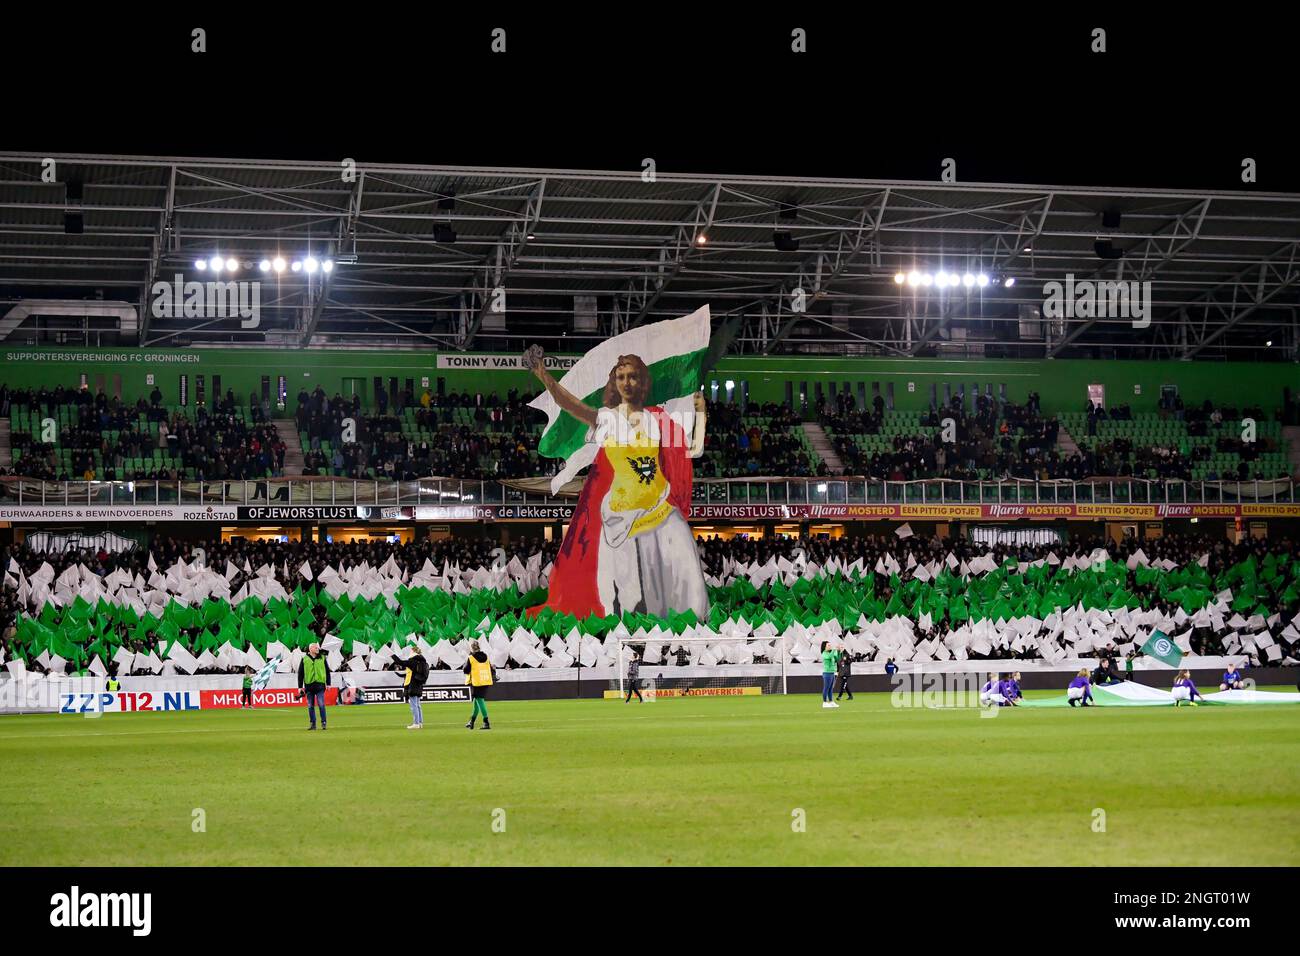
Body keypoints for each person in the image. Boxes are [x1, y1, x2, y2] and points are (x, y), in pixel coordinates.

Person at [526, 348, 709, 620]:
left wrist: (701, 414)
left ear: (643, 382)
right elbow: (568, 403)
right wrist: (543, 376)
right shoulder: (607, 419)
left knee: (689, 582)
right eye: (620, 376)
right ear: (614, 382)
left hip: (661, 510)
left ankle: (686, 636)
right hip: (622, 520)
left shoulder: (657, 419)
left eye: (633, 376)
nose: (626, 382)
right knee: (631, 598)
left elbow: (692, 451)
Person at [463, 640, 496, 730]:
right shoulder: (486, 656)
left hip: (477, 682)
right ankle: (472, 721)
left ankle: (486, 722)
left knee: (480, 701)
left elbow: (466, 670)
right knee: (476, 702)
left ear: (472, 648)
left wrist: (465, 666)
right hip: (485, 680)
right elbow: (489, 667)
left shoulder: (471, 658)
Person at [393, 645, 429, 729]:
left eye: (411, 651)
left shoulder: (412, 661)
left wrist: (391, 655)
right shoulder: (422, 661)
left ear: (413, 652)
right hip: (419, 685)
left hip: (412, 684)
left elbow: (400, 662)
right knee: (418, 705)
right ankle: (420, 723)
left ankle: (416, 723)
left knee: (413, 706)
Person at [297, 642, 331, 730]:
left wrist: (328, 683)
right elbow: (300, 673)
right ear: (310, 649)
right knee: (310, 706)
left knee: (321, 704)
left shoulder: (322, 658)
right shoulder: (304, 659)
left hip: (320, 685)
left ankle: (323, 722)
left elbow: (327, 671)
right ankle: (313, 724)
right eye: (315, 648)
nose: (317, 649)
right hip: (309, 686)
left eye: (317, 648)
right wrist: (300, 687)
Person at [820, 640, 838, 709]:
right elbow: (829, 657)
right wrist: (833, 651)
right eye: (828, 645)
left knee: (830, 689)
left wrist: (836, 651)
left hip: (832, 672)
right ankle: (824, 702)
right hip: (827, 673)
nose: (830, 646)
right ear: (824, 647)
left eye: (830, 645)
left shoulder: (831, 653)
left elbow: (836, 658)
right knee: (826, 688)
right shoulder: (824, 653)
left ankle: (831, 701)